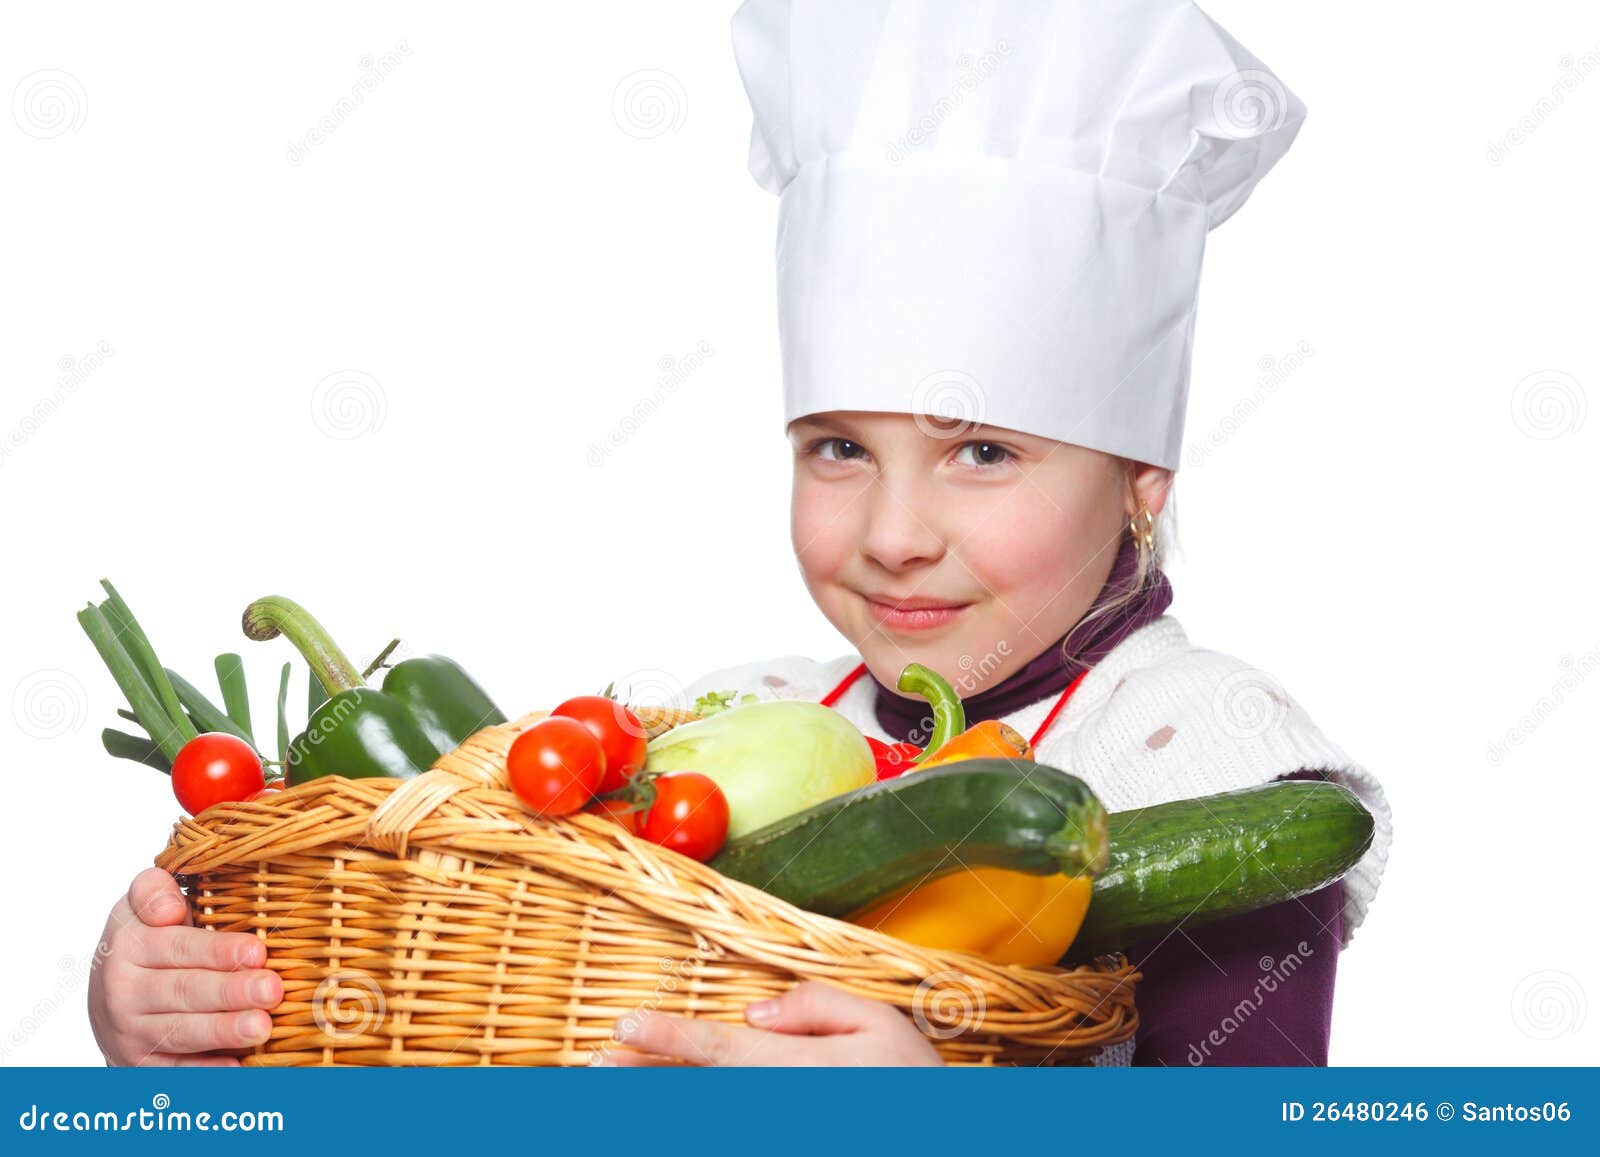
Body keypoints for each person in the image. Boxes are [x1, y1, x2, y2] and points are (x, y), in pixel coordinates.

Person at [86, 0, 1392, 1067]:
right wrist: (176, 1005)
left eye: (982, 452)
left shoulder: (1222, 779)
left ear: (1142, 480)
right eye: (839, 448)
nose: (893, 532)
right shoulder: (700, 720)